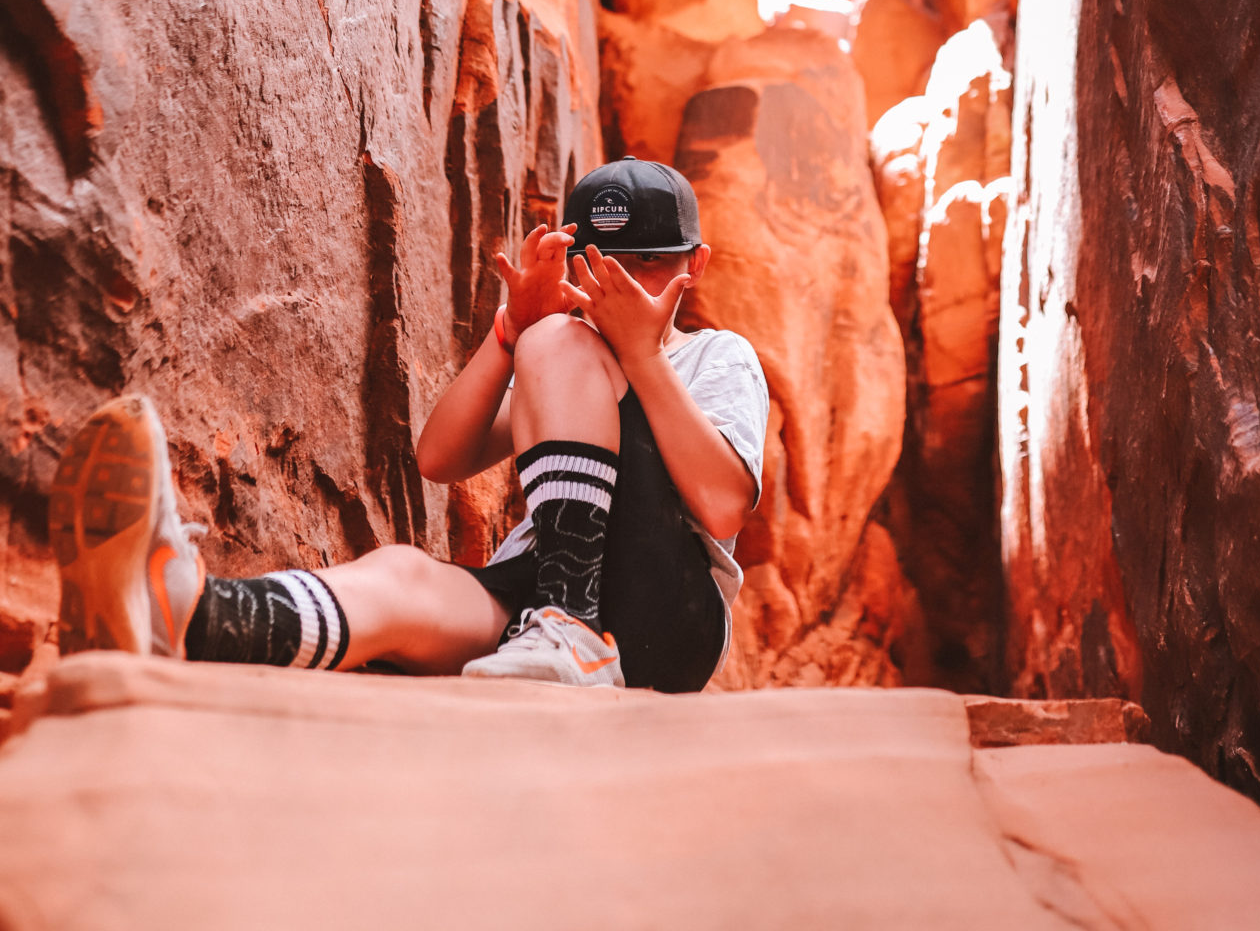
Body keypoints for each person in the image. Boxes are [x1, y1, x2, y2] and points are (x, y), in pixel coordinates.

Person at [50, 158, 769, 692]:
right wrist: (511, 331)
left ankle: (572, 629)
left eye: (645, 266)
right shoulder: (564, 355)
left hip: (664, 616)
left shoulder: (713, 354)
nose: (617, 287)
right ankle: (187, 617)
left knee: (556, 340)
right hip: (534, 602)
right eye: (596, 265)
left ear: (693, 265)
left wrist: (636, 352)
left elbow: (723, 503)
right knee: (401, 578)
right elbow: (441, 456)